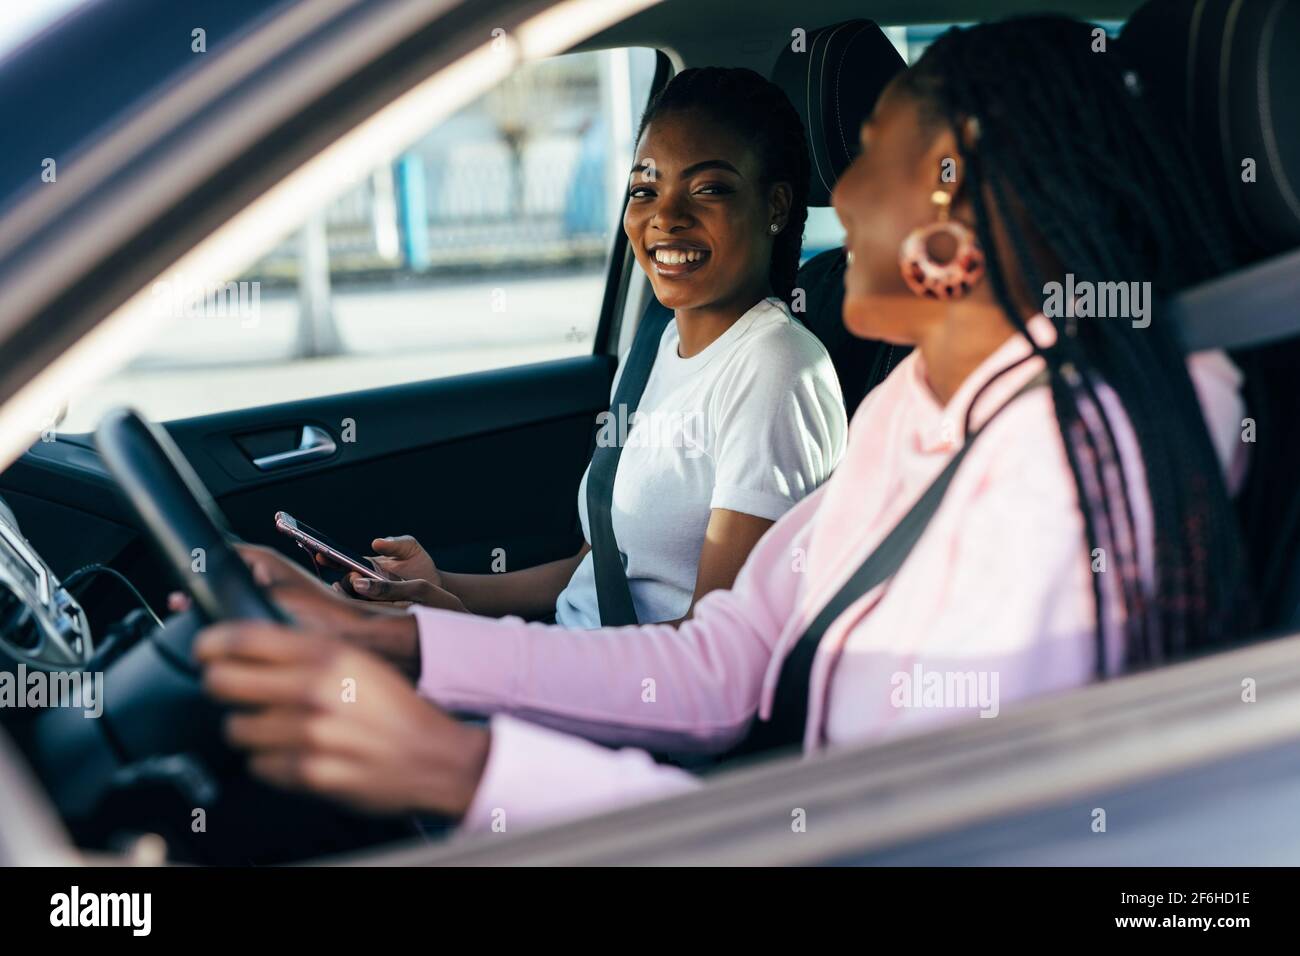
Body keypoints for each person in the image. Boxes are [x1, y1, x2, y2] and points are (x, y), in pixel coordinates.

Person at [195, 17, 1248, 833]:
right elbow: (723, 657)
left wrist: (461, 766)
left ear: (957, 215)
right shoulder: (913, 413)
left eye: (871, 155)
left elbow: (912, 833)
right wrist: (392, 638)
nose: (842, 191)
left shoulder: (1071, 475)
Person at [343, 68, 847, 628]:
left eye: (707, 189)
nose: (666, 217)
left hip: (636, 705)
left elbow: (718, 652)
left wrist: (474, 642)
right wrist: (437, 587)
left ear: (775, 207)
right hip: (577, 668)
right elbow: (600, 569)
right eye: (644, 190)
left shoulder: (776, 369)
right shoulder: (654, 346)